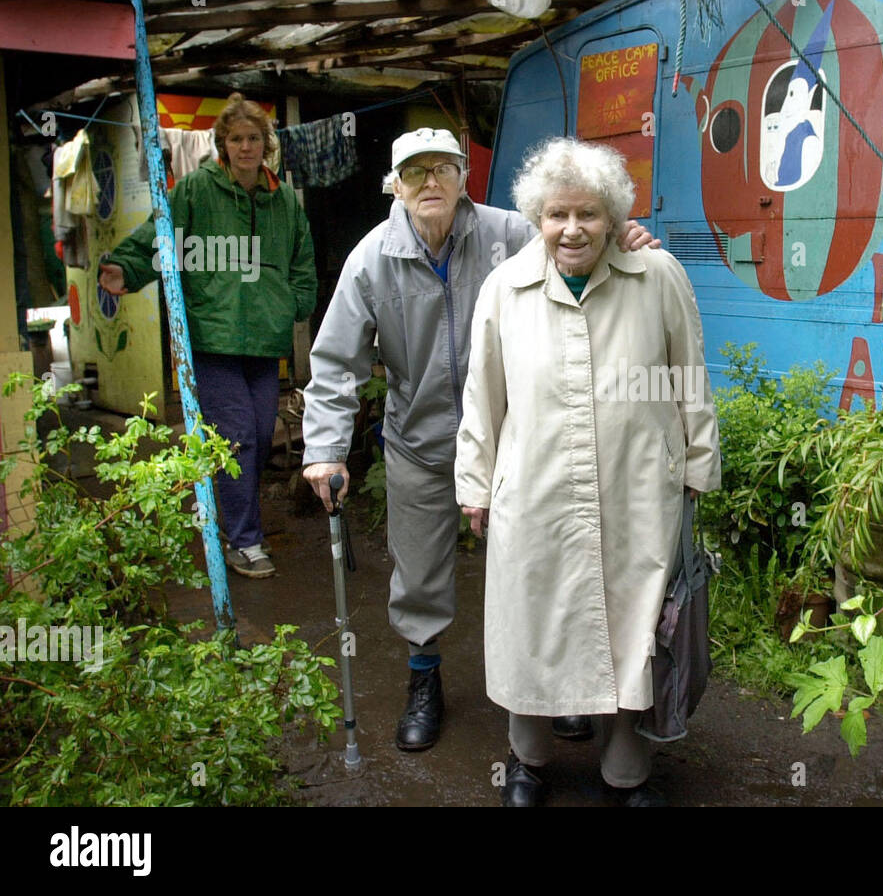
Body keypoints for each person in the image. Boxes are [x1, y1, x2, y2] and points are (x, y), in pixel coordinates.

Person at [300, 129, 658, 753]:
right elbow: (335, 364)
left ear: (465, 175)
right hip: (420, 439)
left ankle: (561, 690)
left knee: (549, 567)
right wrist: (326, 449)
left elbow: (577, 248)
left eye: (442, 168)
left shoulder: (511, 231)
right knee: (419, 575)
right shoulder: (371, 259)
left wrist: (621, 238)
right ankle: (424, 678)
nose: (429, 182)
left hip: (517, 438)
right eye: (414, 172)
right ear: (396, 186)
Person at [454, 137, 721, 807]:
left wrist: (697, 465)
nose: (572, 228)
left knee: (632, 626)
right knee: (530, 622)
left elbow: (690, 376)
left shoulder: (656, 276)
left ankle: (625, 770)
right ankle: (528, 758)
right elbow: (482, 396)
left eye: (589, 214)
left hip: (637, 489)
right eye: (556, 215)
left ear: (612, 216)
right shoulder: (504, 289)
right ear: (536, 219)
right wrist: (474, 483)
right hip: (535, 488)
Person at [99, 93, 317, 580]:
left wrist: (294, 304)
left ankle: (225, 520)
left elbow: (303, 258)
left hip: (263, 341)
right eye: (237, 139)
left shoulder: (283, 200)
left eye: (254, 138)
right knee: (236, 438)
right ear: (222, 145)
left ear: (266, 144)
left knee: (261, 437)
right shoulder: (196, 190)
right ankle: (245, 541)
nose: (246, 147)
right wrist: (126, 268)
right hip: (212, 340)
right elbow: (160, 237)